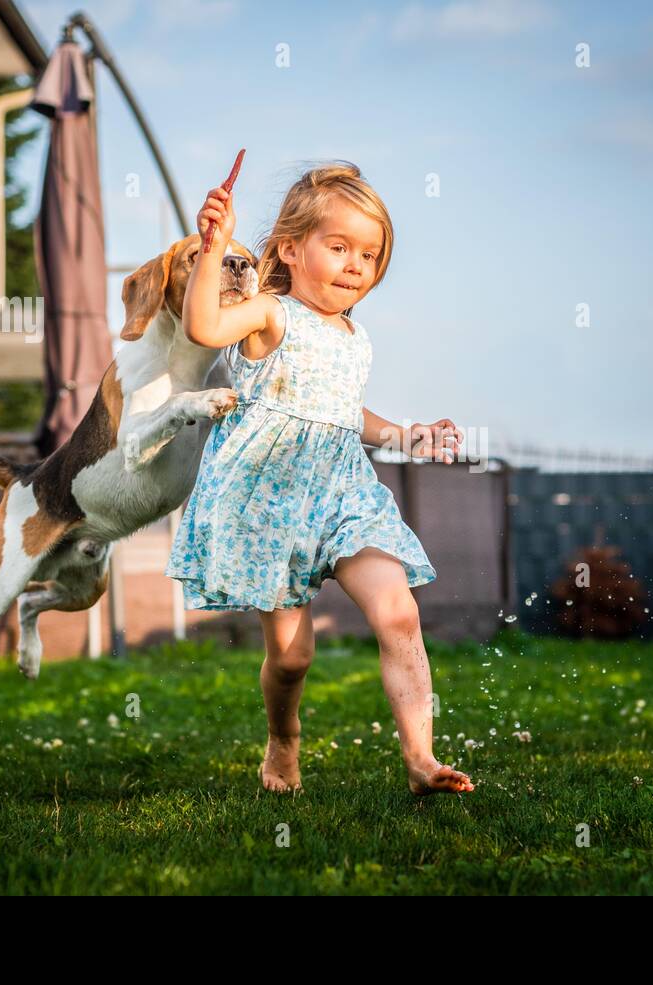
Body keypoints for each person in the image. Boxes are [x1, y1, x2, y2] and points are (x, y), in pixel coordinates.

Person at [165, 161, 475, 797]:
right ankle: (283, 740)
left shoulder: (355, 337)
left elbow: (341, 412)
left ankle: (420, 761)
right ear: (290, 249)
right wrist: (214, 250)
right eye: (339, 248)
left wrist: (406, 435)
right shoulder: (269, 314)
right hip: (269, 502)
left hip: (344, 493)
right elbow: (202, 327)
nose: (356, 264)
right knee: (292, 657)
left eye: (369, 253)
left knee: (399, 614)